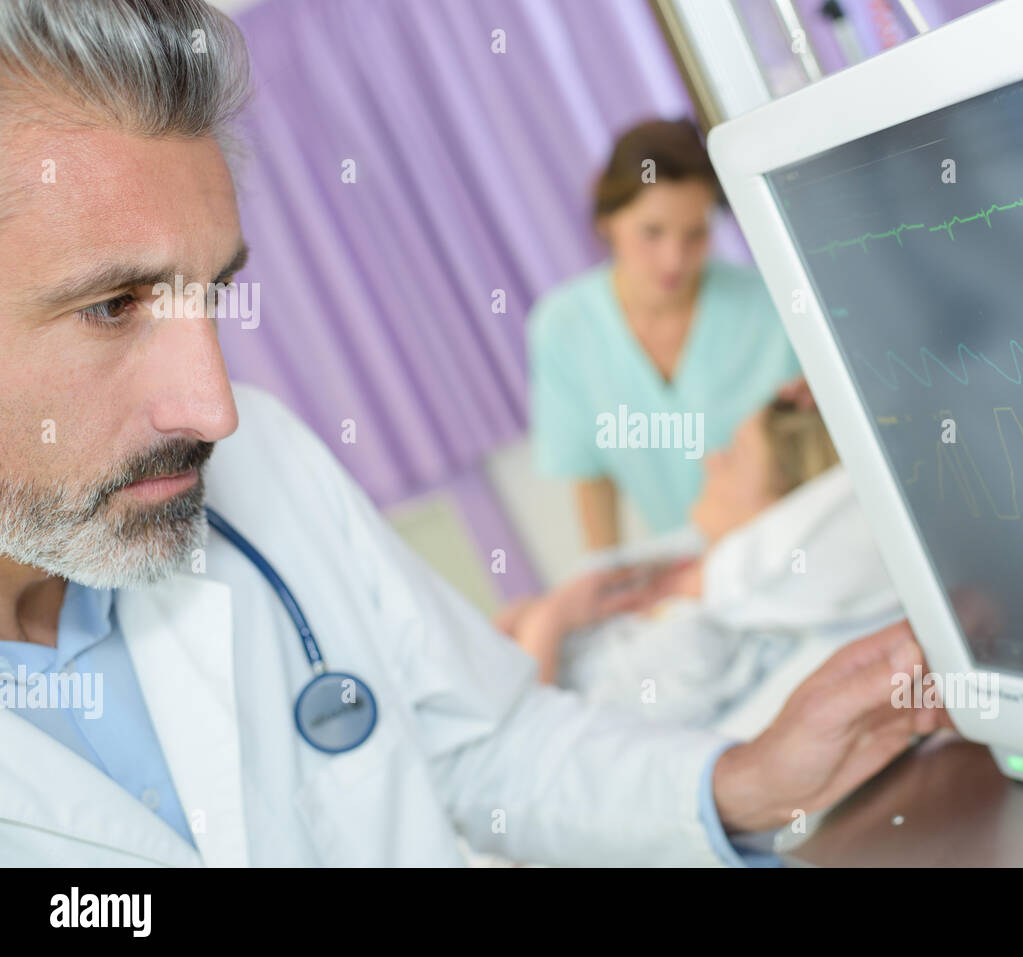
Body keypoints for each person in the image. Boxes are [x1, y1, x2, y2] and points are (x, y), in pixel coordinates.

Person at [0, 0, 947, 866]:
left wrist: (743, 781)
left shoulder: (268, 464)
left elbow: (487, 746)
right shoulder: (573, 329)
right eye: (114, 307)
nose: (216, 411)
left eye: (212, 296)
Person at [528, 118, 802, 550]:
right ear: (608, 219)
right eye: (652, 233)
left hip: (786, 556)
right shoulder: (564, 328)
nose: (674, 260)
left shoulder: (770, 307)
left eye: (696, 234)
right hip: (688, 577)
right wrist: (612, 589)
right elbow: (591, 479)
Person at [500, 396, 845, 692]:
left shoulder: (696, 645)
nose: (711, 460)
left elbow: (536, 740)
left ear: (779, 511)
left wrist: (547, 621)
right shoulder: (687, 553)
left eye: (734, 456)